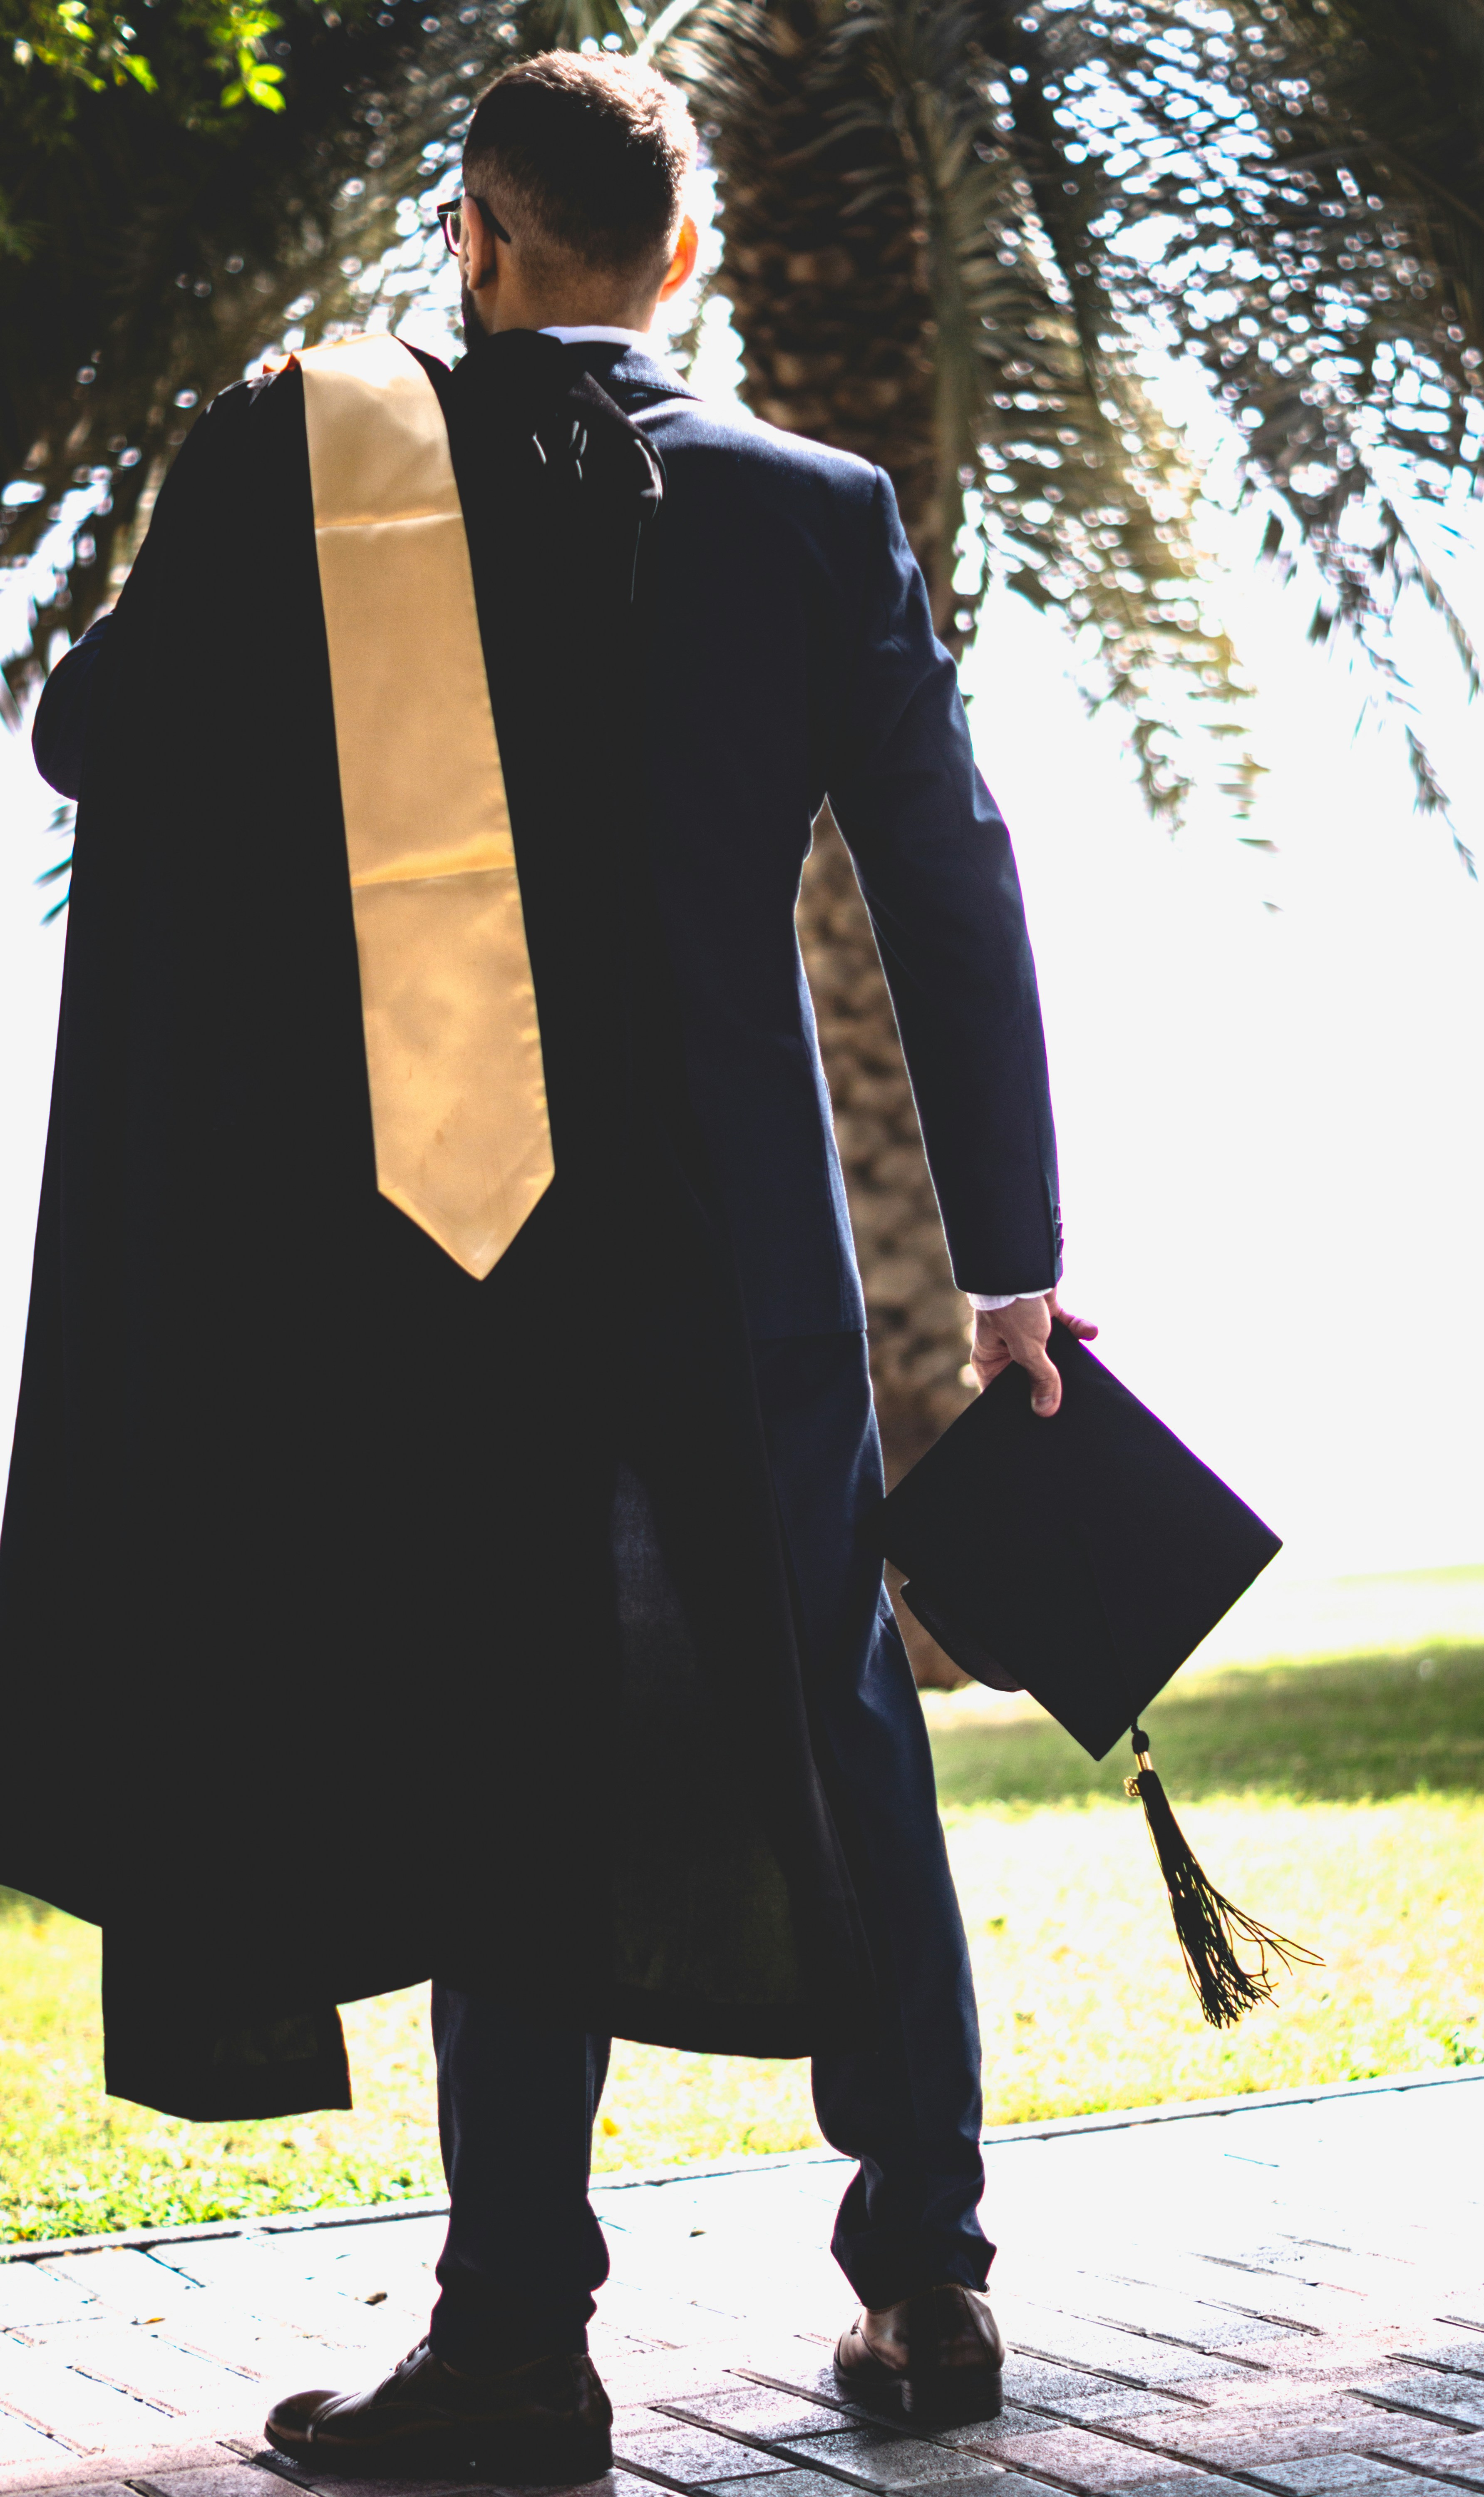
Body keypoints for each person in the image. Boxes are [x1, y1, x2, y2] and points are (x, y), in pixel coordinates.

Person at [15, 48, 1094, 2484]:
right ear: (683, 256)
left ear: (473, 246)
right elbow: (954, 873)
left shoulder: (324, 474)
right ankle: (926, 2282)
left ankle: (518, 2340)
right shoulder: (821, 512)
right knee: (836, 1709)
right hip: (739, 1245)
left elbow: (94, 736)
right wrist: (1013, 1267)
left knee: (510, 1728)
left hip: (436, 1233)